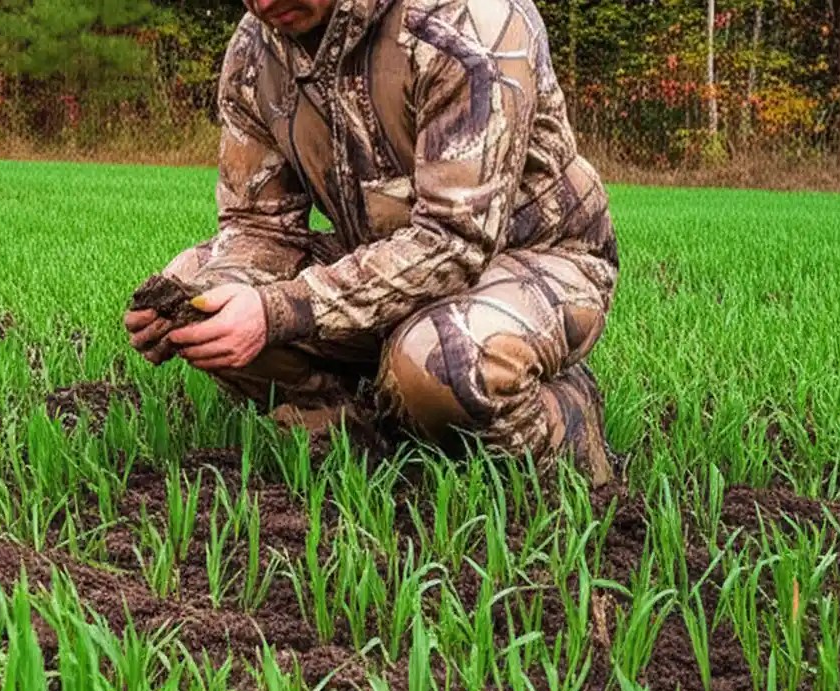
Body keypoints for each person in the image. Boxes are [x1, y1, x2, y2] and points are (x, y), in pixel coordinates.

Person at [123, 0, 620, 485]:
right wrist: (195, 304)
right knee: (196, 288)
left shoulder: (465, 20)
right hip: (379, 255)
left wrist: (279, 309)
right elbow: (258, 225)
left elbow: (455, 240)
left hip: (532, 256)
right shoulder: (257, 47)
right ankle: (353, 444)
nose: (263, 3)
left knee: (443, 360)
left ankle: (566, 421)